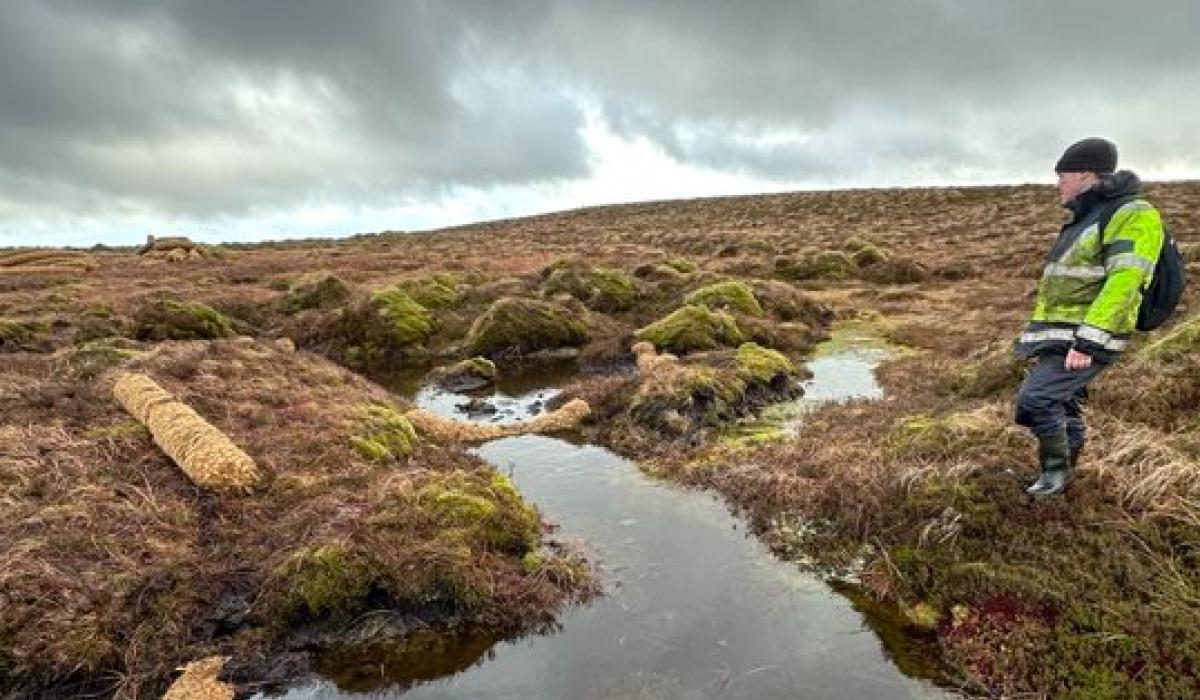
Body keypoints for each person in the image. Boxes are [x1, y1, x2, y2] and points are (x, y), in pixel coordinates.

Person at [1013, 137, 1164, 499]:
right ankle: (1065, 468)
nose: (1058, 184)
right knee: (1061, 401)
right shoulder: (1087, 217)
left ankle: (1055, 476)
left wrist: (1090, 339)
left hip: (1086, 335)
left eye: (1063, 175)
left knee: (1034, 401)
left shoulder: (1132, 213)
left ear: (1085, 175)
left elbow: (1126, 279)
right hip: (1060, 333)